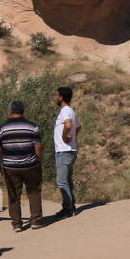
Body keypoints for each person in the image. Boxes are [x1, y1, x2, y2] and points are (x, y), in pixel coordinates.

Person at [0, 100, 44, 231]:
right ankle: (36, 221)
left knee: (13, 195)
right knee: (34, 192)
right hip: (30, 165)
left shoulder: (1, 129)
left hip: (10, 167)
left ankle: (16, 224)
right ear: (22, 111)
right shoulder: (33, 127)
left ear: (10, 111)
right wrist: (38, 161)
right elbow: (38, 146)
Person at [53, 86, 79, 218]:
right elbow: (78, 127)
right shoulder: (71, 111)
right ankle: (70, 207)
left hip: (64, 151)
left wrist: (64, 137)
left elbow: (69, 125)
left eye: (57, 95)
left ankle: (68, 209)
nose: (56, 97)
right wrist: (73, 138)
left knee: (62, 182)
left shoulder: (65, 111)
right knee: (67, 181)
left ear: (61, 97)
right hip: (70, 150)